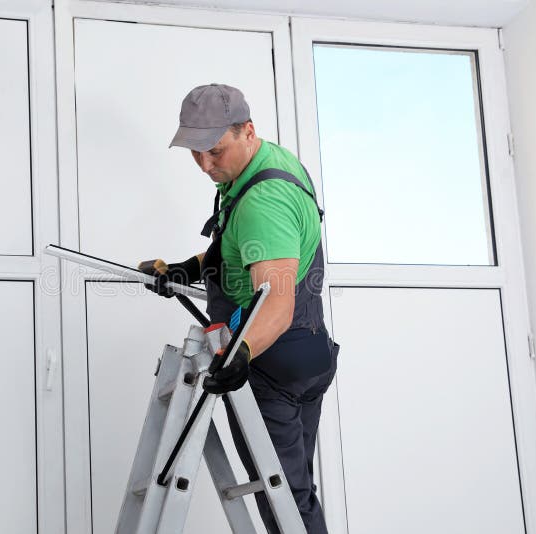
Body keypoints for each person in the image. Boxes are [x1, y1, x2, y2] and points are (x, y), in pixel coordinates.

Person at [139, 83, 339, 533]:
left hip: (272, 360)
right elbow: (246, 247)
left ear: (247, 131)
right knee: (296, 495)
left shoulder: (264, 201)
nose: (205, 165)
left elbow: (277, 302)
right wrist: (189, 268)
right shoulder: (266, 164)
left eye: (215, 151)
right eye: (196, 153)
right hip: (308, 351)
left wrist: (241, 353)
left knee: (285, 504)